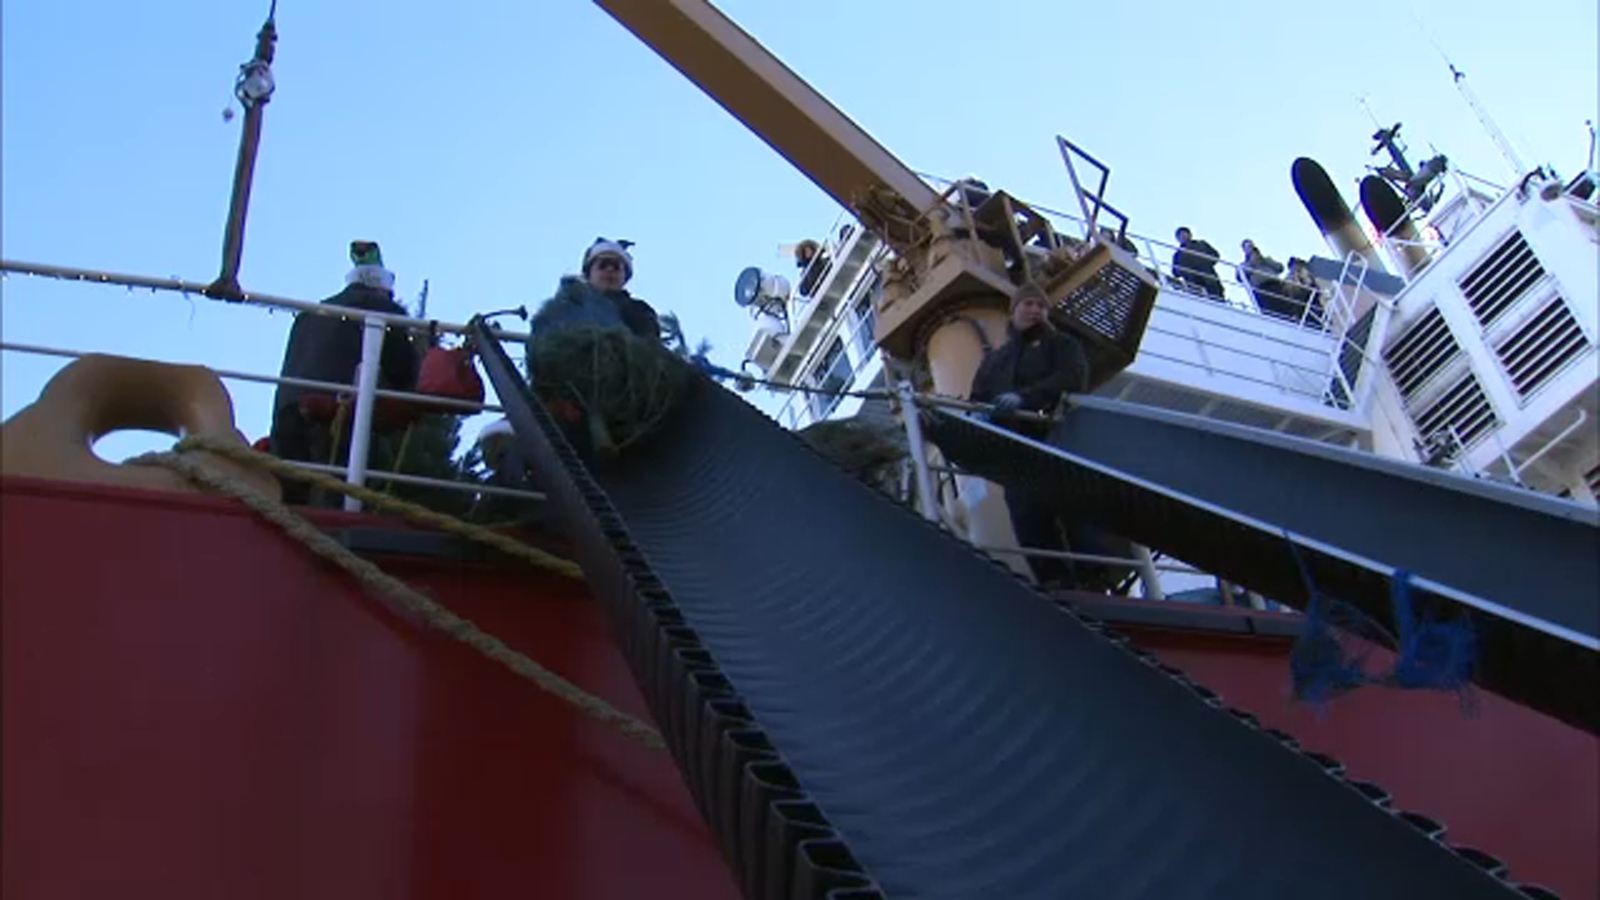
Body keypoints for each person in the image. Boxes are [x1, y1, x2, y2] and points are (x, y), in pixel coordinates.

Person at [968, 282, 1099, 590]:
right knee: (1027, 511)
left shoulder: (1062, 345)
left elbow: (1072, 377)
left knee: (1073, 510)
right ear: (1014, 311)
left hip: (1058, 439)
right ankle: (1053, 579)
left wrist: (1026, 398)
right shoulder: (995, 361)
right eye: (1028, 304)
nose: (1035, 310)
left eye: (1040, 306)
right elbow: (979, 396)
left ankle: (1094, 577)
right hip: (1014, 448)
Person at [269, 240, 421, 505]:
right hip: (334, 414)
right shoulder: (383, 310)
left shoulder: (311, 314)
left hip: (287, 414)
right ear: (383, 288)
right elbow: (402, 371)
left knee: (293, 499)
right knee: (345, 488)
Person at [529, 238, 661, 342]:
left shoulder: (640, 311)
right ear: (588, 274)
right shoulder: (565, 307)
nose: (609, 270)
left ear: (624, 276)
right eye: (603, 265)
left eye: (616, 266)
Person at [1171, 226, 1224, 299]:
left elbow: (1215, 255)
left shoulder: (1202, 244)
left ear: (1189, 234)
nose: (1182, 236)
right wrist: (1184, 271)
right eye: (1180, 236)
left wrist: (1206, 263)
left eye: (1184, 233)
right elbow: (1175, 272)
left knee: (1217, 298)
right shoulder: (1177, 255)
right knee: (1198, 299)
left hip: (1209, 277)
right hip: (1192, 282)